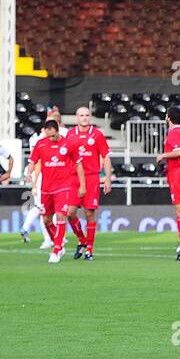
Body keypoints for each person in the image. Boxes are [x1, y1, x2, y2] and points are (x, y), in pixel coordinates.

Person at [27, 119, 84, 263]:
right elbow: (32, 161)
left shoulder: (68, 143)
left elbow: (78, 164)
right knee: (46, 220)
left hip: (63, 186)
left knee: (60, 216)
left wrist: (82, 185)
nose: (51, 139)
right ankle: (57, 243)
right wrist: (29, 173)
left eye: (53, 136)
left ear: (57, 131)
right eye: (48, 136)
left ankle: (57, 248)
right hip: (46, 187)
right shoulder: (41, 144)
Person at [64, 106, 113, 261]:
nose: (84, 118)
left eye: (86, 115)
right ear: (77, 118)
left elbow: (106, 157)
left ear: (90, 117)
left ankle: (89, 249)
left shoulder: (97, 135)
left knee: (89, 214)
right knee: (70, 213)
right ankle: (82, 240)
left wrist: (108, 178)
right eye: (81, 115)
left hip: (91, 177)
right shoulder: (70, 135)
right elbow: (65, 156)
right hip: (73, 178)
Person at [156, 106, 180, 259]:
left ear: (168, 118)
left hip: (177, 174)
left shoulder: (173, 134)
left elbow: (179, 152)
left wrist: (162, 155)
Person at [21, 105, 63, 248]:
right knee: (43, 209)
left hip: (57, 179)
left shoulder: (63, 137)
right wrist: (34, 181)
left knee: (52, 210)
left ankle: (54, 237)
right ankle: (48, 238)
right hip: (42, 179)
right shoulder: (39, 141)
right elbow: (37, 163)